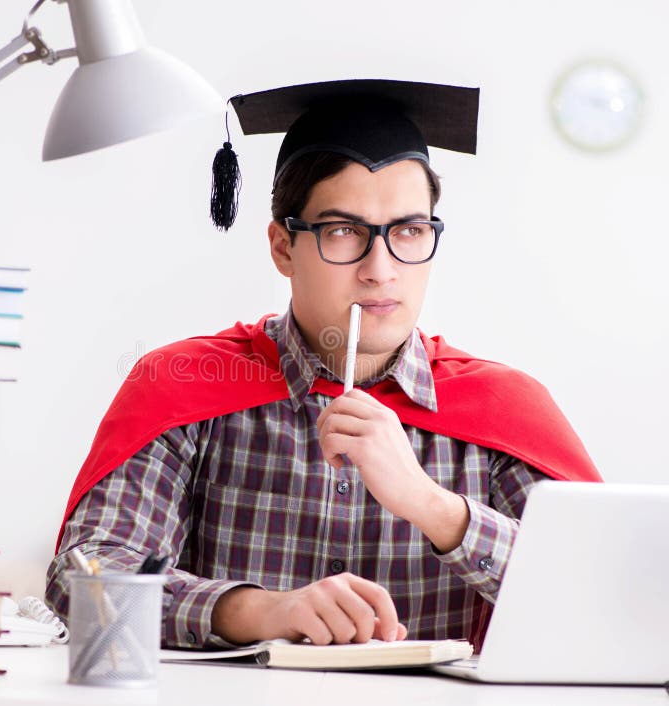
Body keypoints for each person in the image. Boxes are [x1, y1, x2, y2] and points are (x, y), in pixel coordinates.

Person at [45, 79, 600, 649]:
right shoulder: (185, 387)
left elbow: (600, 596)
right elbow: (84, 582)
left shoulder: (503, 411)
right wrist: (260, 612)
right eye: (342, 232)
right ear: (283, 247)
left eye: (410, 231)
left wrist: (431, 505)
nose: (380, 269)